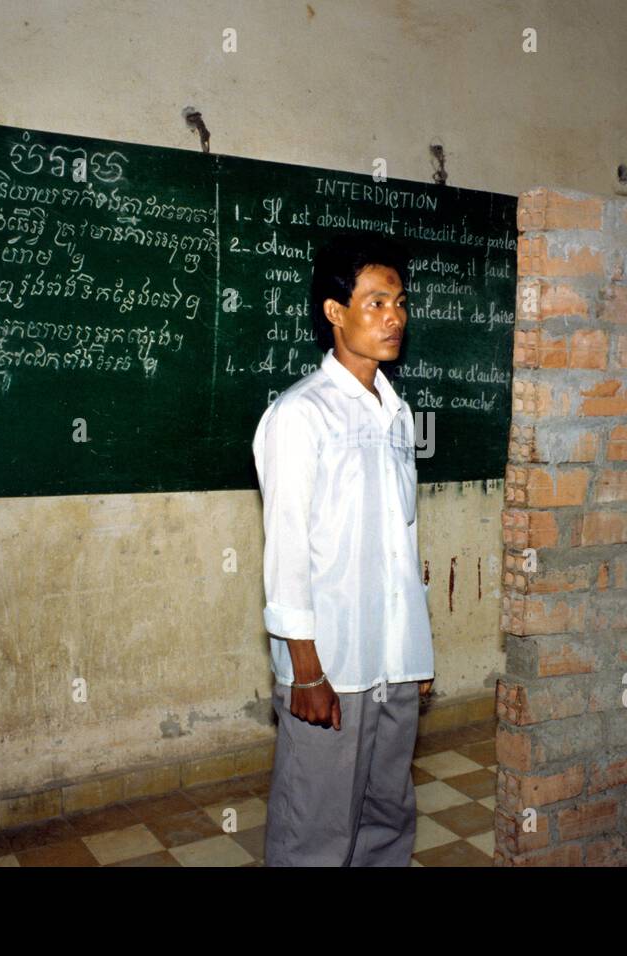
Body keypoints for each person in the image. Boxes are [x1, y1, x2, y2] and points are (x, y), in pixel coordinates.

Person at [252, 233, 435, 866]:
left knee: (387, 819)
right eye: (376, 302)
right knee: (316, 829)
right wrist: (306, 669)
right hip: (331, 662)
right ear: (335, 313)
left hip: (392, 657)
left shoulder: (397, 414)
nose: (394, 318)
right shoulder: (301, 415)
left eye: (401, 302)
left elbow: (403, 538)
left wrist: (417, 649)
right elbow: (287, 554)